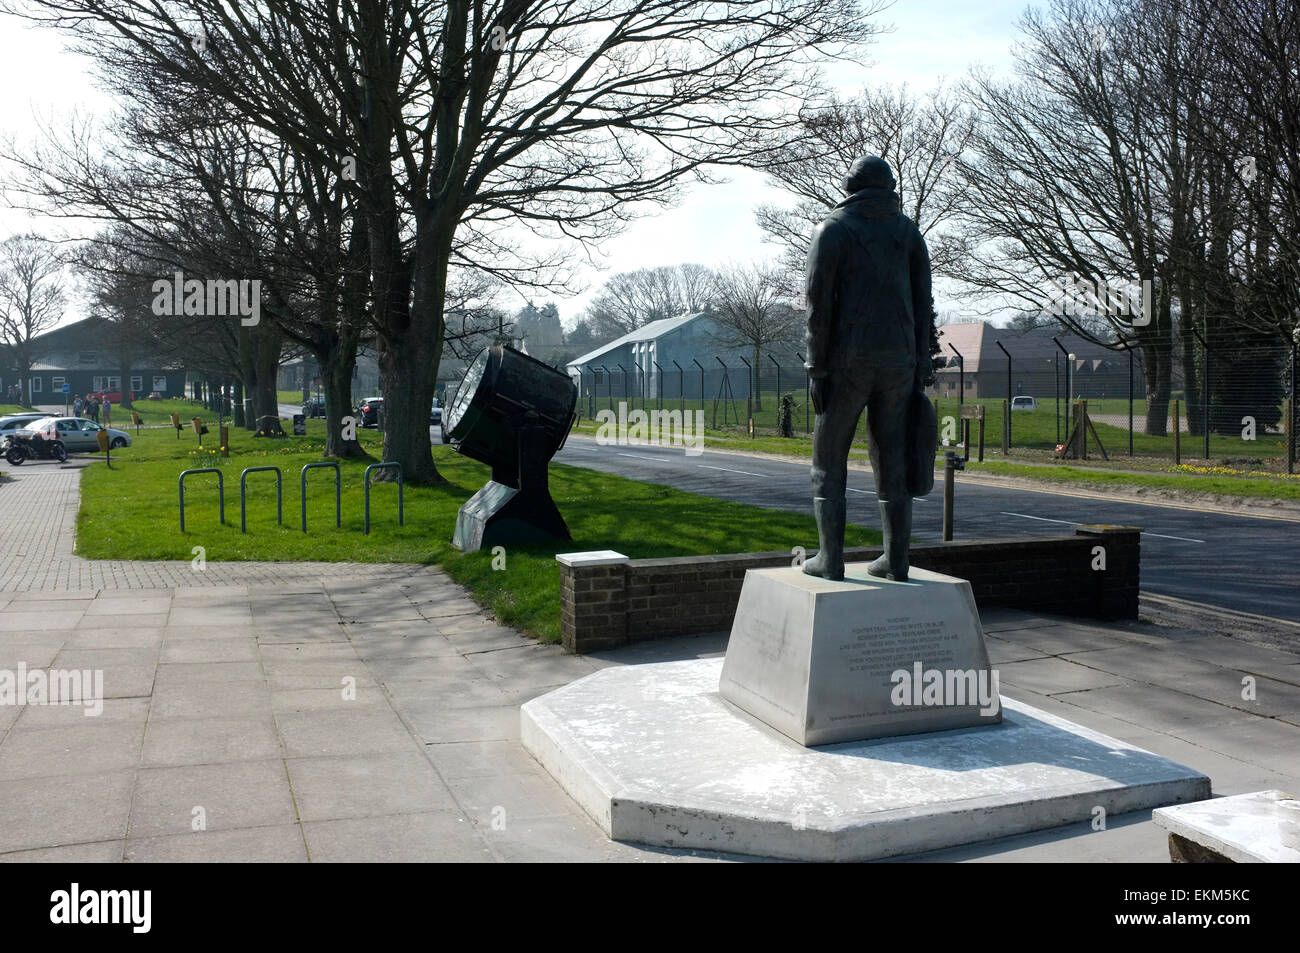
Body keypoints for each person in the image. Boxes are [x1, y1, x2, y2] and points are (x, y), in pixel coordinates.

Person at [801, 155, 934, 583]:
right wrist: (922, 363)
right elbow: (923, 303)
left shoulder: (833, 229)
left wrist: (815, 365)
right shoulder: (908, 232)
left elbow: (817, 306)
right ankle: (896, 561)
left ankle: (830, 559)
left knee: (828, 459)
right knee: (892, 459)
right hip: (899, 362)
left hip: (845, 363)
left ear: (850, 187)